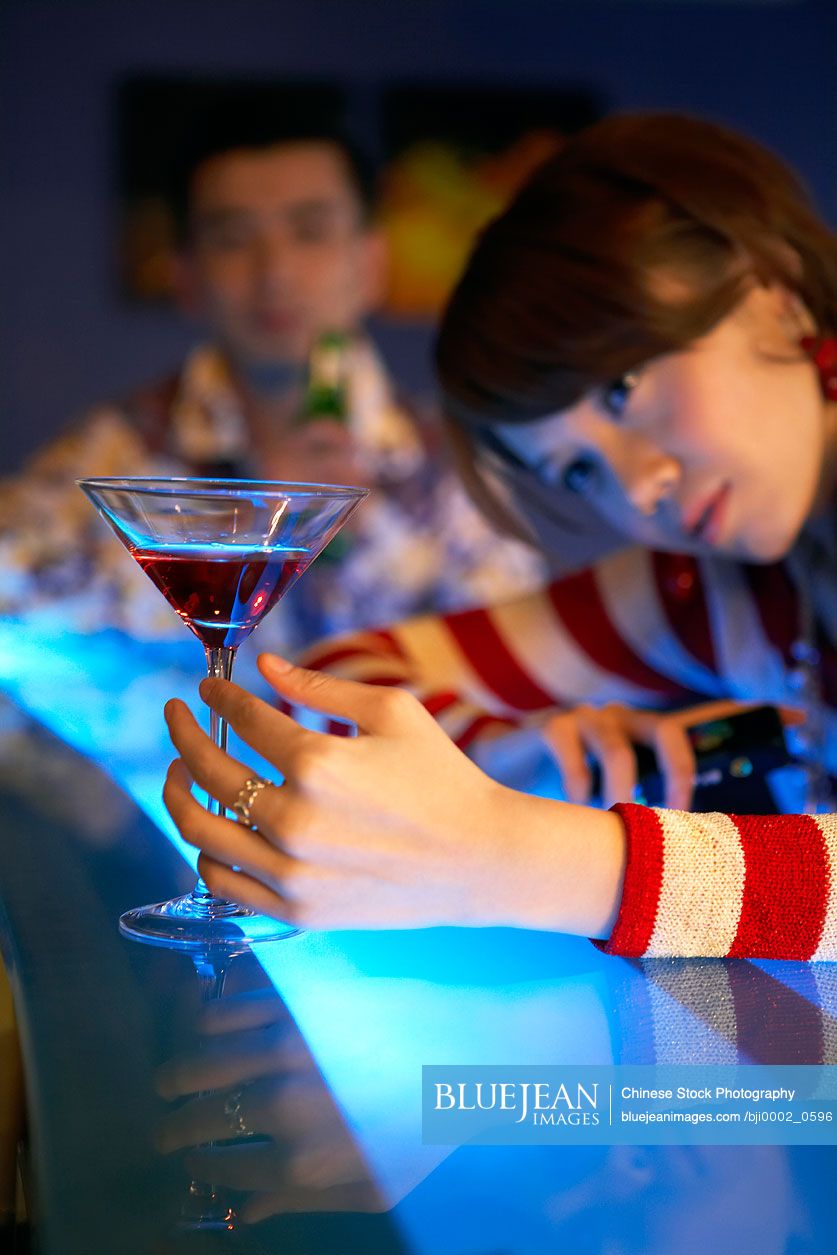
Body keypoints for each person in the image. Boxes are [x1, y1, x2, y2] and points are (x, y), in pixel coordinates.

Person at [162, 113, 837, 961]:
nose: (636, 487)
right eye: (578, 474)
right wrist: (520, 745)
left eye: (624, 390)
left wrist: (508, 852)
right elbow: (338, 676)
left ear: (769, 287)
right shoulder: (727, 589)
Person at [0, 108, 541, 646]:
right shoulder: (111, 453)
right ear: (185, 276)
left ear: (372, 263)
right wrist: (246, 526)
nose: (275, 273)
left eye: (311, 232)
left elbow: (512, 657)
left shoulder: (453, 464)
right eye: (233, 239)